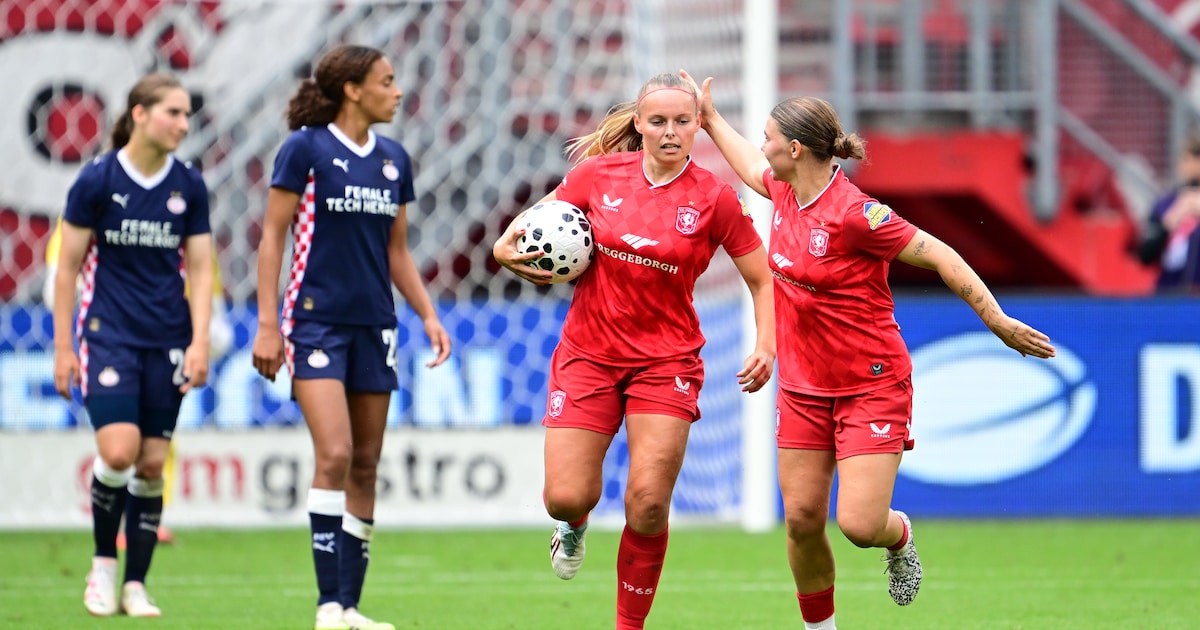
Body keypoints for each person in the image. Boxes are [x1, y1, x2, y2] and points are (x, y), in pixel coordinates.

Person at [680, 70, 1056, 630]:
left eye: (768, 137)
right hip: (804, 386)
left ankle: (898, 534)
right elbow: (749, 167)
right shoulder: (783, 190)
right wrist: (710, 120)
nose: (761, 148)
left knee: (858, 525)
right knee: (804, 519)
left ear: (796, 148)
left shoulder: (858, 215)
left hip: (871, 384)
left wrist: (996, 320)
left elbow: (942, 255)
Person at [492, 72, 776, 630]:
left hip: (666, 361)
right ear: (639, 126)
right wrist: (509, 244)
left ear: (698, 125)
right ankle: (572, 525)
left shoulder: (715, 198)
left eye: (683, 121)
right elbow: (537, 223)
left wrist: (766, 343)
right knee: (566, 497)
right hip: (588, 354)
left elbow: (763, 278)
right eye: (659, 122)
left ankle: (629, 626)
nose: (671, 132)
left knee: (648, 503)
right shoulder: (598, 175)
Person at [251, 44, 451, 630]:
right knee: (334, 453)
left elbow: (397, 251)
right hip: (314, 319)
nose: (398, 91)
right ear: (353, 89)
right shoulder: (305, 149)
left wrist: (428, 315)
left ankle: (351, 608)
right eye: (387, 81)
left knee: (366, 464)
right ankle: (326, 606)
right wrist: (268, 325)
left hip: (376, 324)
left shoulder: (393, 159)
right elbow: (272, 238)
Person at [51, 72, 214, 618]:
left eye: (187, 115)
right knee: (118, 452)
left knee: (150, 464)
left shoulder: (188, 185)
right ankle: (102, 566)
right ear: (139, 114)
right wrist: (62, 348)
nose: (183, 124)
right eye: (173, 112)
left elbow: (200, 266)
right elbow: (67, 268)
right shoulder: (96, 181)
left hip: (167, 338)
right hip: (109, 335)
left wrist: (199, 342)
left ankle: (136, 585)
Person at [45, 220, 235, 549]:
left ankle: (146, 525)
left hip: (168, 333)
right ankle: (114, 528)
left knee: (156, 438)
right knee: (120, 438)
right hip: (112, 332)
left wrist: (205, 334)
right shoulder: (92, 199)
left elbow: (209, 291)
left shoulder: (183, 207)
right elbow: (57, 282)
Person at [1135, 135, 1200, 294]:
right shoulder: (1165, 204)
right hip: (1170, 293)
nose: (1188, 166)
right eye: (1185, 160)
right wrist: (1171, 221)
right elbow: (1145, 255)